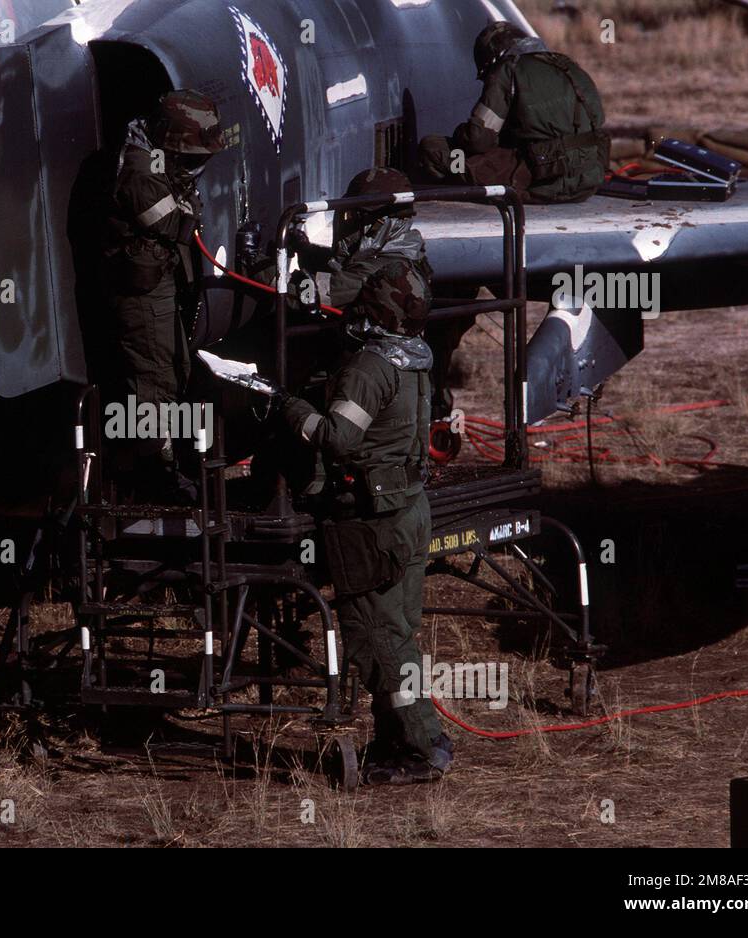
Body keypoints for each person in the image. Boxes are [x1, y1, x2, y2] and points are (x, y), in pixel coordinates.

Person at [277, 168, 452, 784]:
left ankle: (421, 748)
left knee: (376, 642)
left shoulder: (369, 368)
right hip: (408, 513)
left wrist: (288, 407)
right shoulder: (419, 362)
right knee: (398, 631)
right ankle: (401, 742)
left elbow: (336, 438)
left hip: (370, 525)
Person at [103, 89, 226, 503]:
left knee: (171, 375)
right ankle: (154, 480)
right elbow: (174, 223)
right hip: (142, 298)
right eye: (189, 158)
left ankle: (159, 466)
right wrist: (188, 209)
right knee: (153, 385)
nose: (195, 168)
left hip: (159, 291)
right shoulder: (140, 169)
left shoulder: (156, 160)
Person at [417, 21, 608, 204]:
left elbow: (478, 140)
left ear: (492, 58)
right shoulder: (569, 66)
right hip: (588, 180)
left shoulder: (508, 69)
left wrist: (461, 133)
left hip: (544, 180)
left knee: (433, 149)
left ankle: (458, 189)